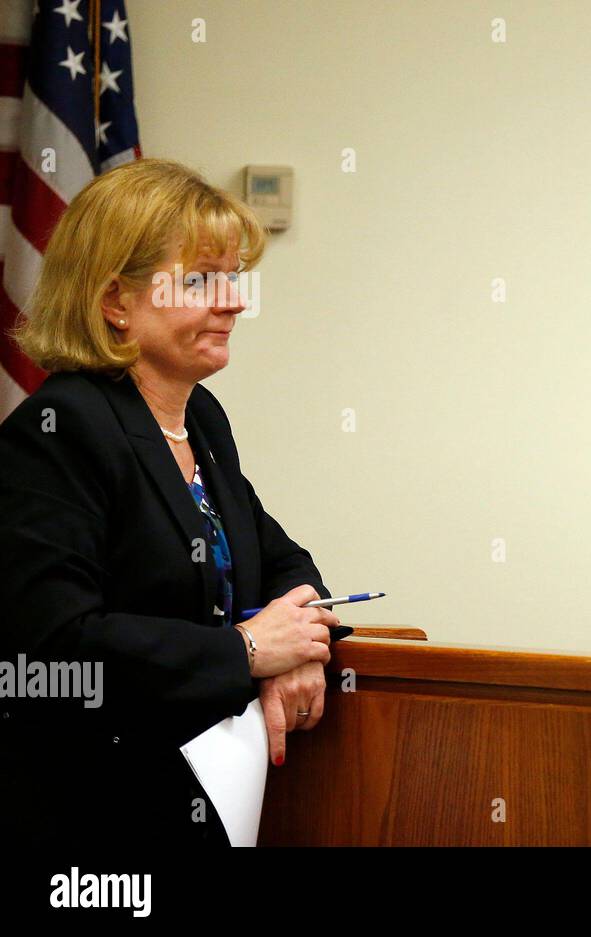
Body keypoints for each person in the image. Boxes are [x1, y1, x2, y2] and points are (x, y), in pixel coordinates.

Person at [0, 158, 340, 845]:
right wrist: (244, 651)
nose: (235, 300)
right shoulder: (58, 432)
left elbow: (286, 564)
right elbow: (52, 655)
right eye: (200, 281)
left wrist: (299, 648)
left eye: (233, 275)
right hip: (91, 818)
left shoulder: (201, 421)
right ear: (116, 300)